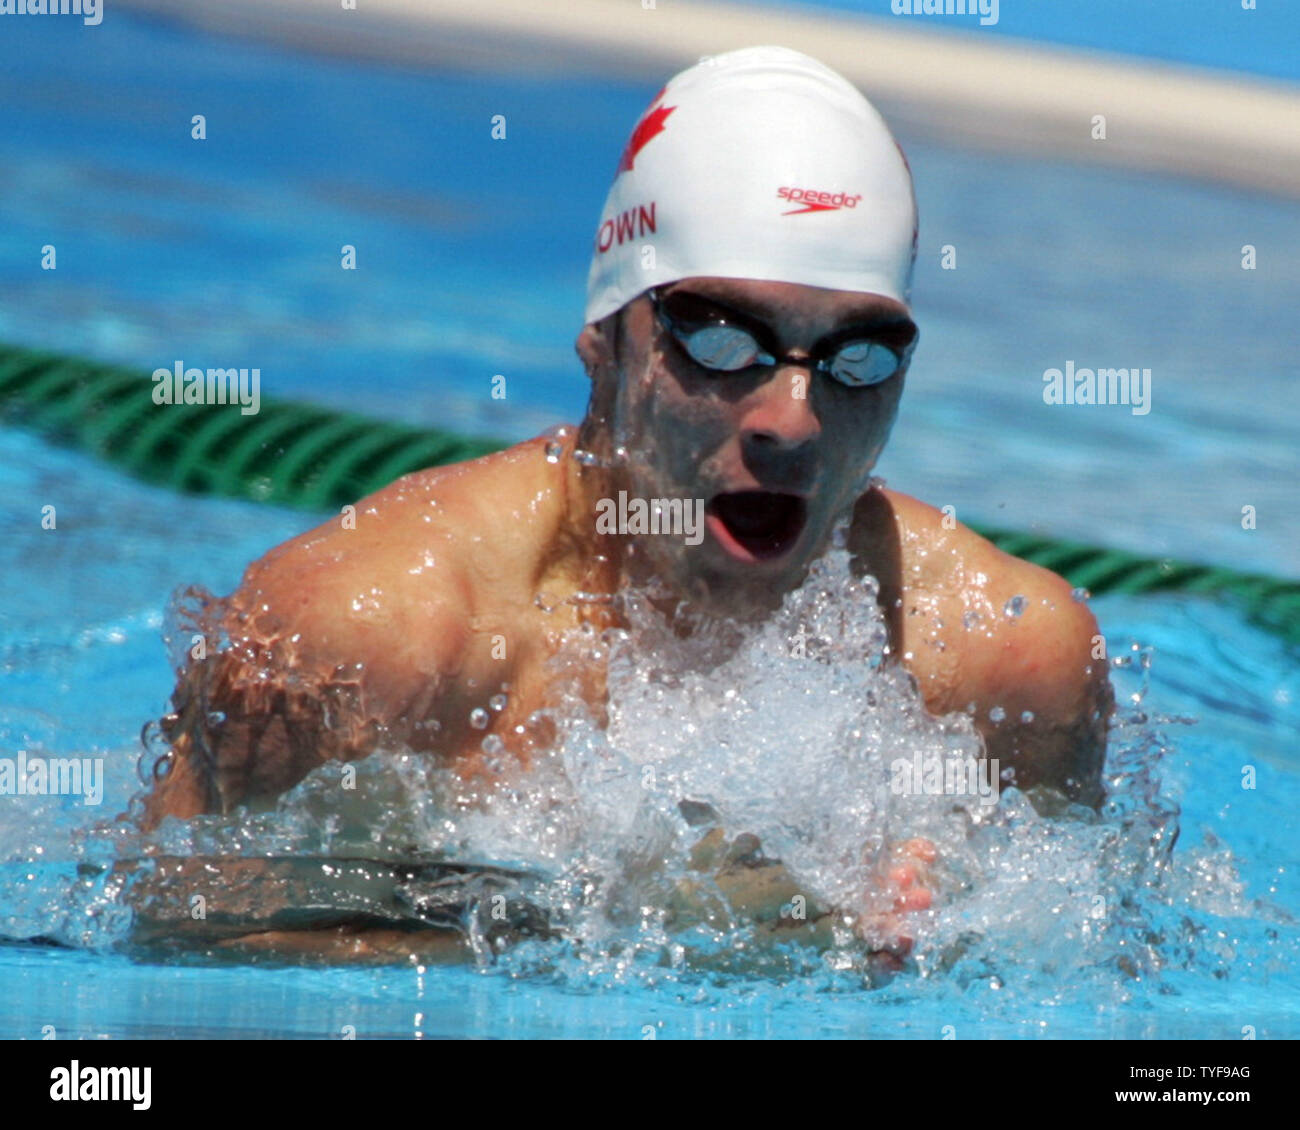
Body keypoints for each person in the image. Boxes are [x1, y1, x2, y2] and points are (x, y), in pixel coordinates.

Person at [136, 46, 1111, 958]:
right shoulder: (373, 637)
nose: (793, 420)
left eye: (858, 357)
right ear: (606, 336)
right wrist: (687, 937)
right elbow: (180, 949)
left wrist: (944, 942)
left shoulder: (1006, 661)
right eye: (723, 339)